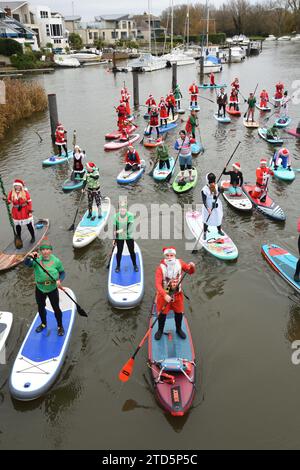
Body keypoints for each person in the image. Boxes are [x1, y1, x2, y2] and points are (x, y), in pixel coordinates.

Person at [24, 238, 65, 336]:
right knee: (41, 307)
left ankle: (60, 326)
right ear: (40, 251)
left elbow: (62, 272)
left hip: (52, 289)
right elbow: (27, 264)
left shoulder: (56, 261)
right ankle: (43, 324)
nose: (45, 251)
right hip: (40, 289)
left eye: (47, 249)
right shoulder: (36, 260)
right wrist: (28, 257)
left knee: (56, 308)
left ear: (51, 250)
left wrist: (59, 280)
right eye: (43, 249)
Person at [154, 246, 195, 340]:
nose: (169, 257)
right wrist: (164, 295)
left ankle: (179, 329)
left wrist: (192, 267)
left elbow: (190, 272)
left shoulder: (180, 263)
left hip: (177, 295)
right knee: (162, 314)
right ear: (165, 256)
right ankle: (160, 330)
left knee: (179, 313)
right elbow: (157, 284)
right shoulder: (160, 268)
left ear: (174, 255)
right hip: (164, 295)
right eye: (167, 255)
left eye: (171, 255)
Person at [6, 179, 35, 247]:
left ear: (21, 186)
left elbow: (29, 202)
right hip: (16, 211)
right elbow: (9, 201)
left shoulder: (25, 192)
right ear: (14, 186)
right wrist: (7, 201)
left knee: (29, 225)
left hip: (25, 210)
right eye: (15, 186)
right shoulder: (11, 192)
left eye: (18, 186)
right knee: (18, 226)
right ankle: (19, 238)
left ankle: (33, 236)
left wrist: (30, 211)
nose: (17, 187)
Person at [113, 202, 138, 273]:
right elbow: (115, 228)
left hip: (129, 236)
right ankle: (118, 266)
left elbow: (129, 225)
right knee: (119, 251)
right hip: (120, 237)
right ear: (118, 209)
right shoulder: (115, 216)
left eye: (124, 208)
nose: (122, 210)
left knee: (131, 251)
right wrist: (114, 239)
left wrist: (121, 230)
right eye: (121, 208)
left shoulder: (130, 215)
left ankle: (135, 265)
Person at [201, 173, 224, 240]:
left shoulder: (216, 185)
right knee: (206, 220)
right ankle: (204, 233)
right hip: (208, 206)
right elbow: (204, 201)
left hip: (216, 204)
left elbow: (220, 191)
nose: (212, 183)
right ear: (207, 181)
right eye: (211, 182)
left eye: (213, 181)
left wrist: (221, 190)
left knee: (218, 217)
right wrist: (208, 209)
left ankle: (219, 230)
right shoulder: (204, 190)